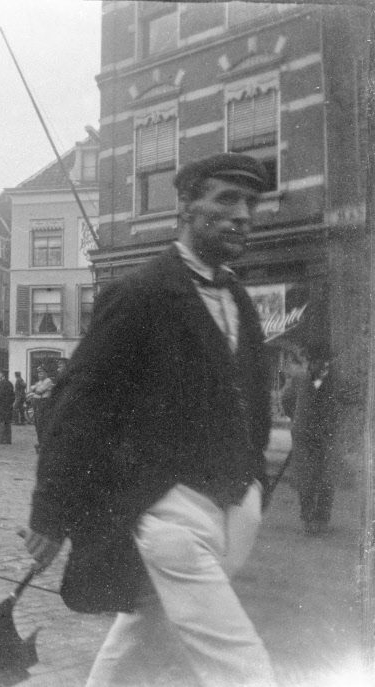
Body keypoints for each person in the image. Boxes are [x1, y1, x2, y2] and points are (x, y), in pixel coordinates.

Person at [22, 153, 276, 686]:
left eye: (250, 202)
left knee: (141, 639)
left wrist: (254, 485)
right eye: (225, 199)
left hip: (233, 507)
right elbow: (80, 406)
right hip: (170, 512)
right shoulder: (138, 293)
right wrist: (51, 513)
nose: (242, 215)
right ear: (185, 205)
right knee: (238, 660)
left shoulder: (238, 299)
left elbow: (248, 401)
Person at [284, 349, 337, 535]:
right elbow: (287, 398)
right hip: (305, 438)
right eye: (317, 363)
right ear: (311, 363)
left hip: (323, 437)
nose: (321, 367)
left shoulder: (331, 382)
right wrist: (297, 420)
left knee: (325, 479)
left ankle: (321, 519)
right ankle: (308, 518)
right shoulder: (302, 380)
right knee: (307, 480)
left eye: (324, 364)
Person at [28, 366, 55, 443]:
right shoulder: (40, 382)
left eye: (41, 373)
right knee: (37, 423)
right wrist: (34, 390)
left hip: (44, 402)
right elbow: (31, 388)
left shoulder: (48, 381)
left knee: (42, 422)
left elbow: (39, 391)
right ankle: (40, 441)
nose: (39, 375)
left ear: (46, 373)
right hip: (38, 403)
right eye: (38, 373)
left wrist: (34, 390)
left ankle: (44, 442)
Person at [0, 369, 14, 445]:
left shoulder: (2, 383)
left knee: (0, 422)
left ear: (3, 375)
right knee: (7, 423)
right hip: (8, 406)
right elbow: (12, 396)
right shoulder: (10, 383)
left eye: (0, 373)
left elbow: (0, 395)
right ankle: (8, 440)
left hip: (1, 406)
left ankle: (1, 439)